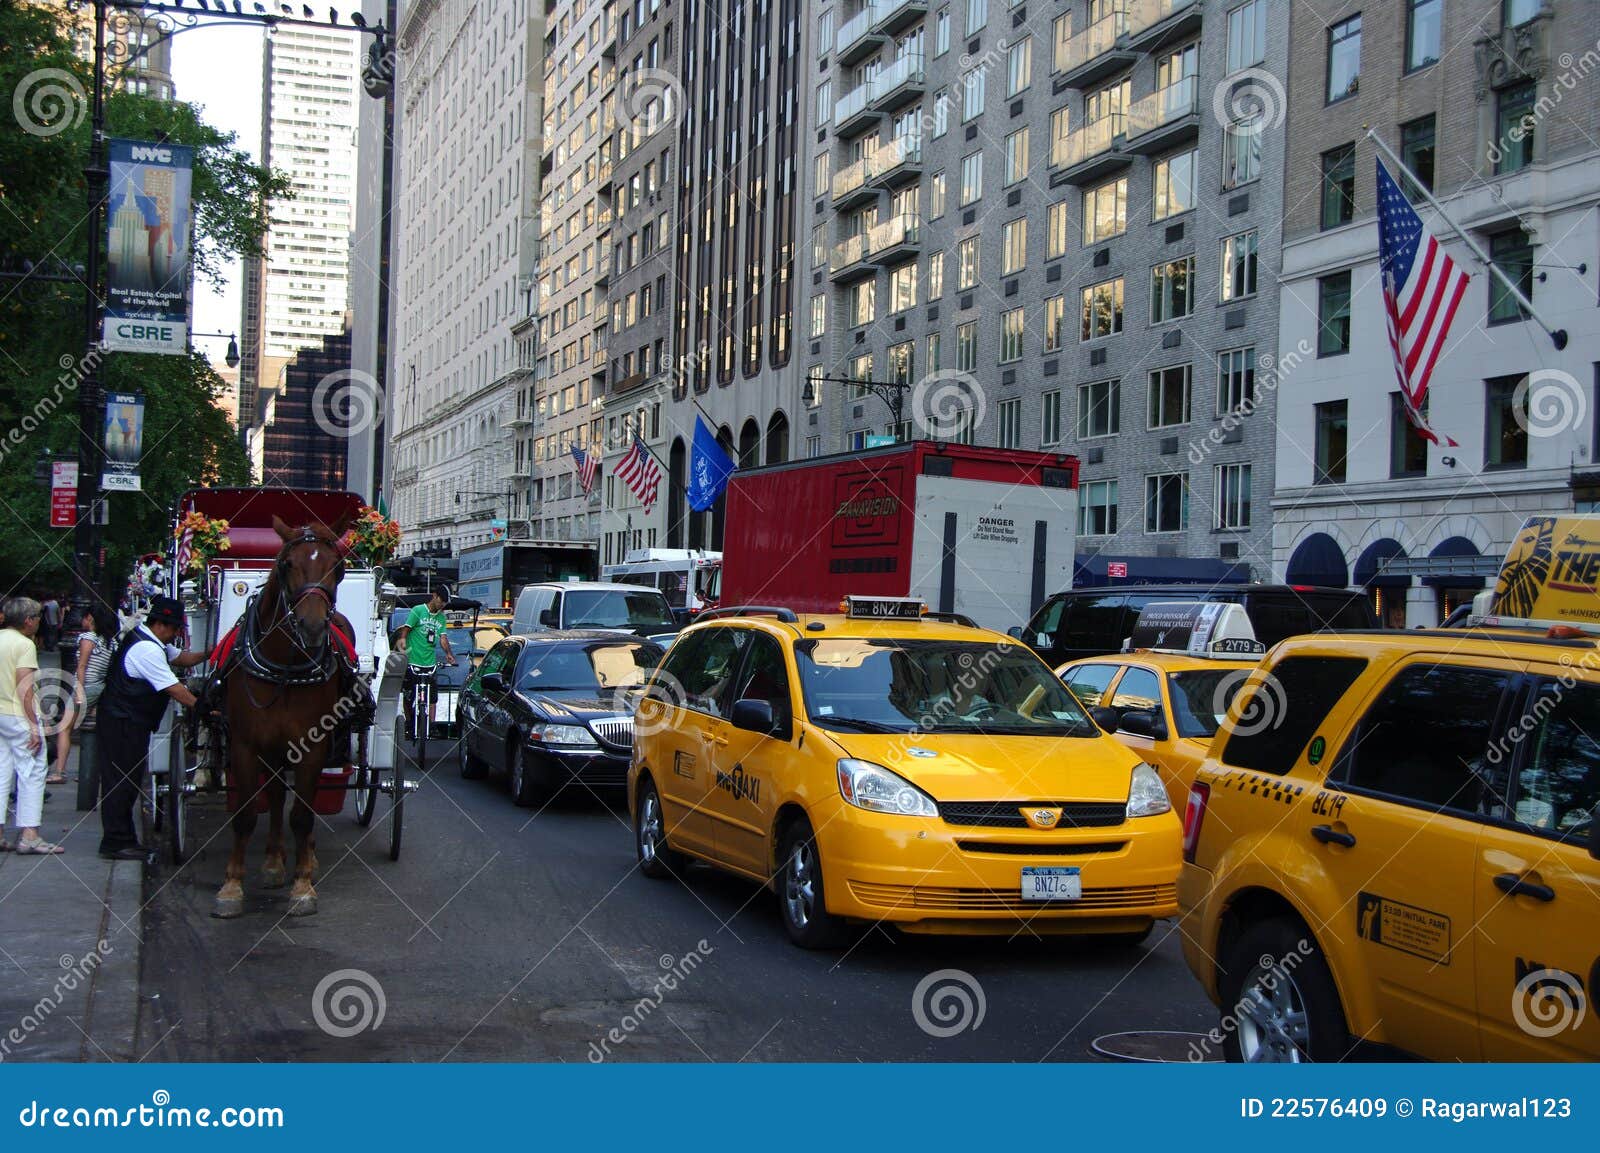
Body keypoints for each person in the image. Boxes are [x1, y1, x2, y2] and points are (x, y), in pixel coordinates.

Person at [96, 596, 207, 860]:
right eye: (175, 630)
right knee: (122, 781)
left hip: (129, 720)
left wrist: (212, 652)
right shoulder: (147, 650)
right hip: (122, 721)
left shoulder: (149, 639)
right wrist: (204, 708)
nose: (176, 635)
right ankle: (116, 841)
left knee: (126, 779)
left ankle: (123, 837)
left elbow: (181, 658)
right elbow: (174, 689)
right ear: (161, 626)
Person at [0, 597, 57, 853]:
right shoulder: (24, 645)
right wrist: (34, 726)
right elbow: (25, 687)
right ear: (27, 621)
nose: (38, 622)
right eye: (36, 618)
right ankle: (29, 834)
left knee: (1, 773)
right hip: (17, 715)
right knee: (33, 770)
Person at [394, 586, 456, 741]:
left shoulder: (441, 618)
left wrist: (449, 654)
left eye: (445, 604)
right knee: (408, 694)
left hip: (429, 662)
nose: (442, 605)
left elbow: (442, 638)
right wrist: (402, 641)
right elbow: (406, 629)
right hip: (413, 660)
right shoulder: (418, 610)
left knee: (432, 696)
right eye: (441, 601)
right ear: (434, 596)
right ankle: (409, 723)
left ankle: (432, 725)